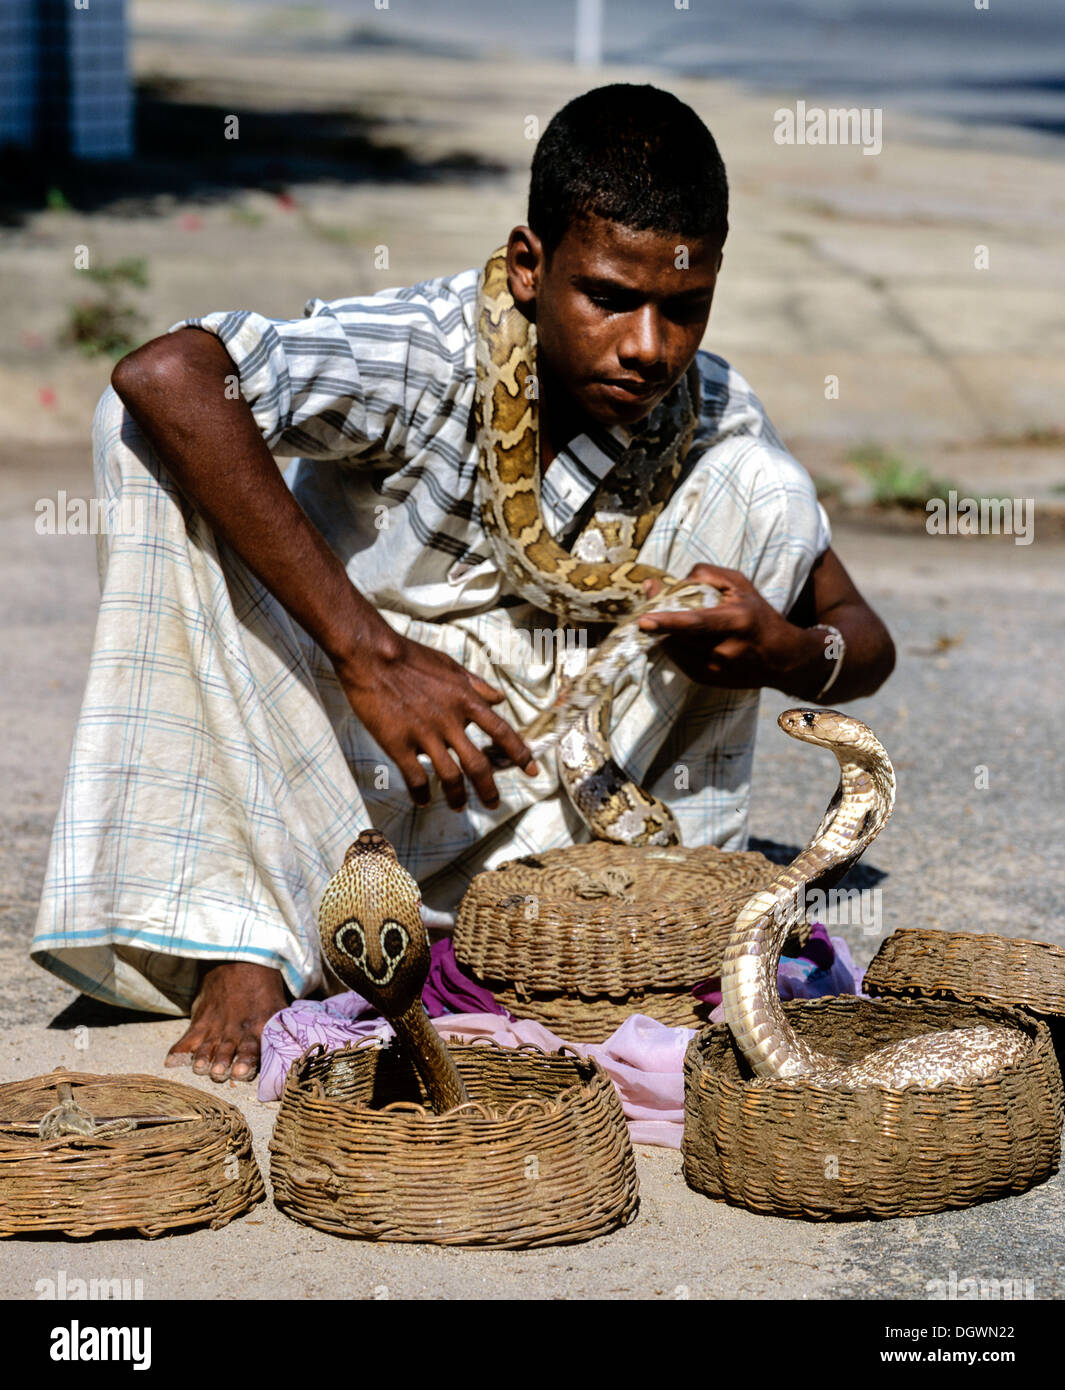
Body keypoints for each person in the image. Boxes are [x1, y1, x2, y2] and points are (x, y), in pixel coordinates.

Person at [31, 84, 895, 1083]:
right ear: (530, 267)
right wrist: (371, 652)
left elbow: (860, 635)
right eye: (609, 297)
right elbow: (168, 373)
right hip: (343, 767)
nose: (650, 345)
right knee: (136, 433)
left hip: (546, 807)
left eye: (684, 307)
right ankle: (249, 928)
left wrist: (790, 651)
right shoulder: (430, 350)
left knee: (769, 489)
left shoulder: (702, 403)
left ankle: (664, 908)